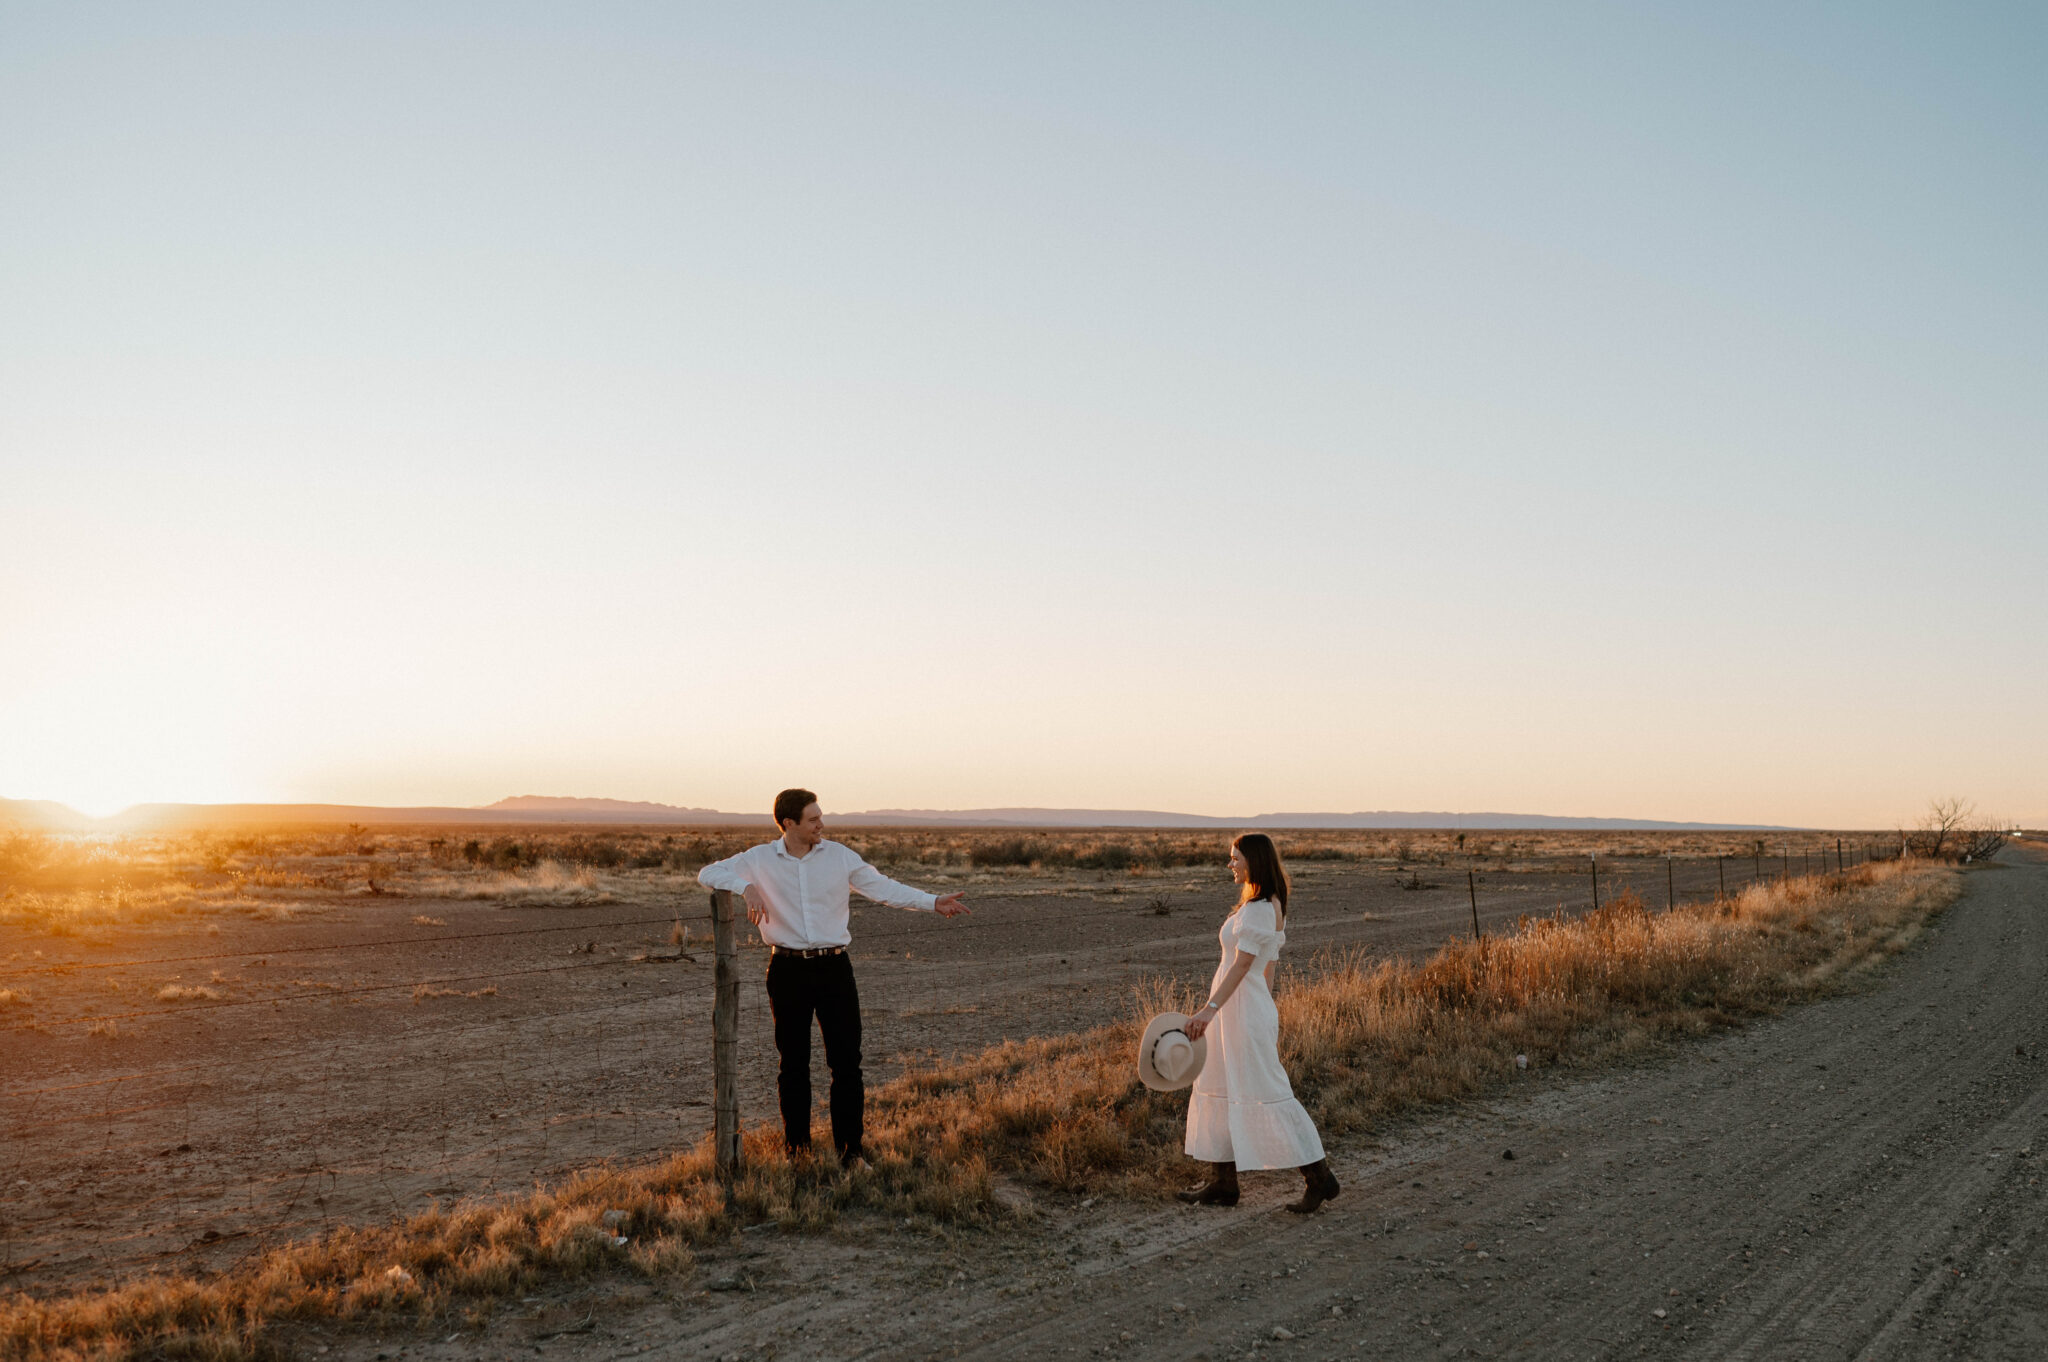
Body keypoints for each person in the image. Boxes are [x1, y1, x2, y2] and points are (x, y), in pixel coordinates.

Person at [697, 789, 969, 1167]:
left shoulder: (840, 856)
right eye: (813, 819)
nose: (821, 824)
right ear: (788, 824)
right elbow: (707, 873)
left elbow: (884, 888)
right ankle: (798, 1154)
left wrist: (932, 901)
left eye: (820, 817)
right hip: (787, 970)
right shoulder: (758, 859)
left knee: (846, 1065)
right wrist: (747, 886)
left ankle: (851, 1154)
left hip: (834, 970)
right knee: (792, 1065)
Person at [1179, 833, 1340, 1212]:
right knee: (1221, 1084)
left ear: (1254, 860)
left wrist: (1209, 1010)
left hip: (1240, 1011)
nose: (1230, 864)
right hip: (1240, 1009)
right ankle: (1224, 1183)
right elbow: (1269, 969)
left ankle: (1319, 1177)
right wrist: (1256, 1006)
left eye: (1235, 858)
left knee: (1266, 1090)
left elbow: (1243, 966)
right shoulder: (1263, 905)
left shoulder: (1260, 909)